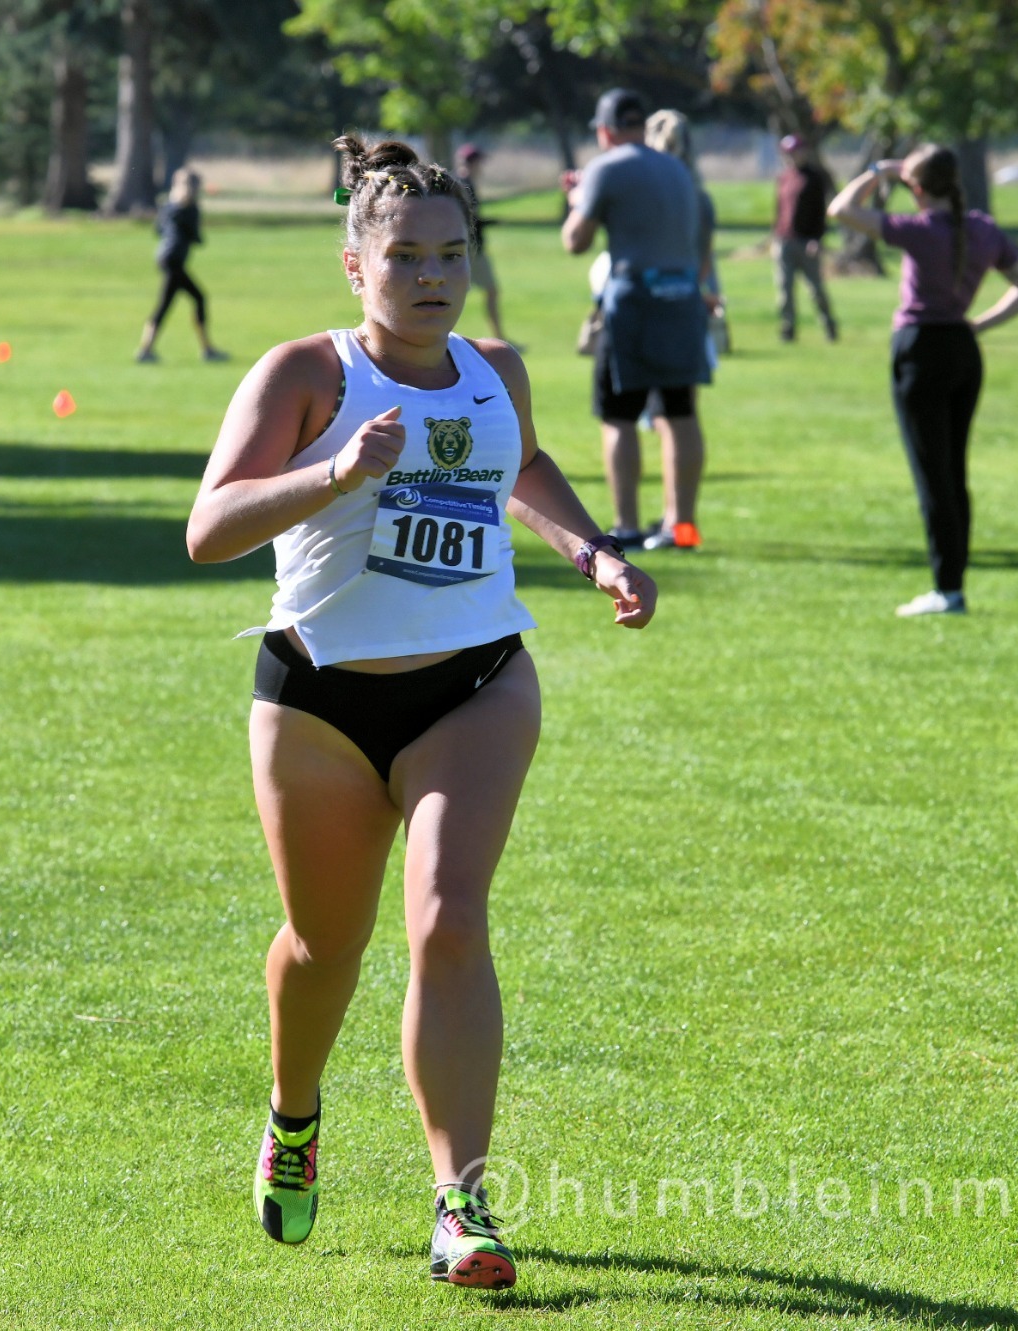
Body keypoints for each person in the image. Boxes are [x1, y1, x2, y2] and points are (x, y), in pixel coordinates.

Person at [186, 133, 657, 1292]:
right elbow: (208, 529)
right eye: (405, 257)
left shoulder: (495, 365)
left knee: (448, 921)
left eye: (451, 253)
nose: (431, 276)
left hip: (476, 681)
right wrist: (334, 472)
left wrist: (591, 550)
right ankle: (293, 1116)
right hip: (319, 701)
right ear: (356, 264)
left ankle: (461, 1202)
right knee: (321, 945)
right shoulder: (305, 373)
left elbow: (520, 465)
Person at [827, 143, 1018, 616]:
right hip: (963, 351)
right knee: (954, 472)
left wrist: (876, 174)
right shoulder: (983, 229)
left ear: (918, 188)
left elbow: (841, 210)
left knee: (932, 475)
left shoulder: (921, 230)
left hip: (919, 349)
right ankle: (953, 582)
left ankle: (947, 590)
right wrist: (977, 325)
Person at [560, 88, 713, 552]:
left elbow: (576, 241)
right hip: (683, 298)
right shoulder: (680, 171)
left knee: (619, 414)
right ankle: (681, 526)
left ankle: (626, 524)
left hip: (635, 302)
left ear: (605, 130)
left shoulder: (607, 167)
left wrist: (577, 200)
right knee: (680, 412)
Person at [643, 109, 725, 371]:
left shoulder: (642, 194)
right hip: (686, 302)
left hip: (643, 304)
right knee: (680, 402)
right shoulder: (700, 198)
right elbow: (705, 262)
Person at [135, 167, 227, 363]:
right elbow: (195, 236)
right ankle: (206, 350)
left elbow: (158, 230)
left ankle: (149, 348)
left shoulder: (168, 205)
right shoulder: (191, 208)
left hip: (164, 258)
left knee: (182, 301)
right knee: (190, 300)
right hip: (175, 260)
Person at [772, 134, 837, 343]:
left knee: (815, 290)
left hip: (807, 242)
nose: (792, 157)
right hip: (784, 241)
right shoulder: (784, 177)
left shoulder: (814, 178)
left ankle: (829, 327)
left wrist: (817, 239)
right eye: (788, 153)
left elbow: (821, 213)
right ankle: (788, 330)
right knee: (784, 290)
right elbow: (779, 210)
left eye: (796, 152)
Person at [451, 144, 511, 345]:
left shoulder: (465, 183)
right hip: (471, 250)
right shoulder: (463, 184)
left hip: (472, 248)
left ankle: (499, 336)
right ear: (472, 163)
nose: (481, 167)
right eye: (479, 163)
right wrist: (490, 222)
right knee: (459, 293)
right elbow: (467, 219)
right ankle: (498, 337)